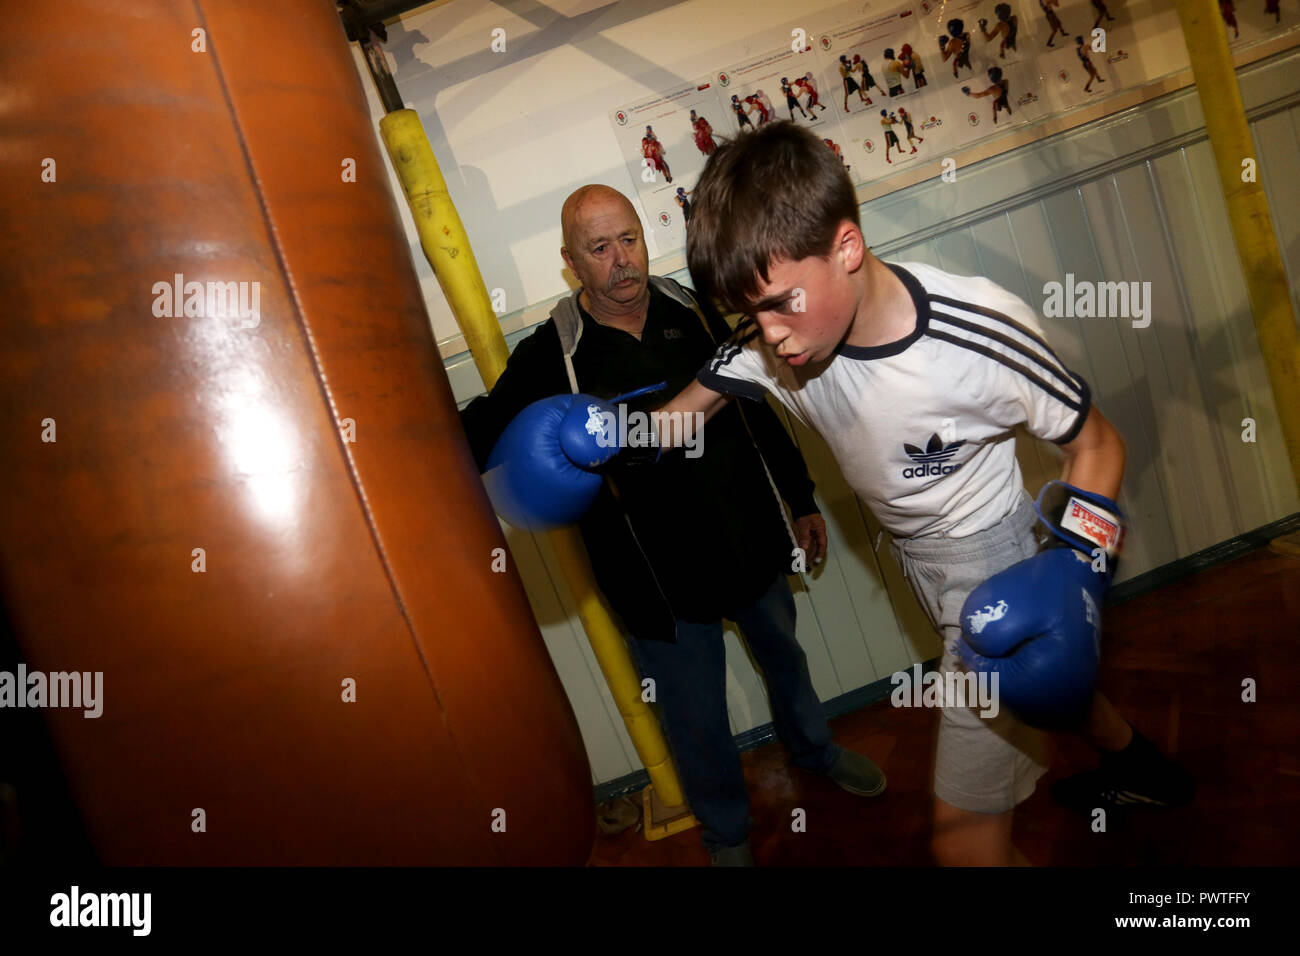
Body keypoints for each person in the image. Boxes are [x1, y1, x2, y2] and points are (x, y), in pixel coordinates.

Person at [577, 123, 1194, 865]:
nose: (770, 337)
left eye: (780, 304)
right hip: (920, 561)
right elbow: (678, 421)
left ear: (846, 247)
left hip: (994, 572)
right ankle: (1146, 772)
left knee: (964, 844)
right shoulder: (772, 345)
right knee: (1050, 681)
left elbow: (1097, 443)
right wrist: (597, 439)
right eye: (751, 313)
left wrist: (1076, 566)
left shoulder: (975, 330)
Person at [462, 183, 887, 866]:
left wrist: (800, 497)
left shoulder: (693, 308)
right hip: (657, 584)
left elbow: (759, 395)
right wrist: (409, 436)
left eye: (628, 238)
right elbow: (486, 427)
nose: (621, 259)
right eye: (599, 249)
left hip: (749, 538)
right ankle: (727, 834)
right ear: (571, 262)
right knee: (695, 720)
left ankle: (817, 749)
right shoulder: (556, 353)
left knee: (788, 660)